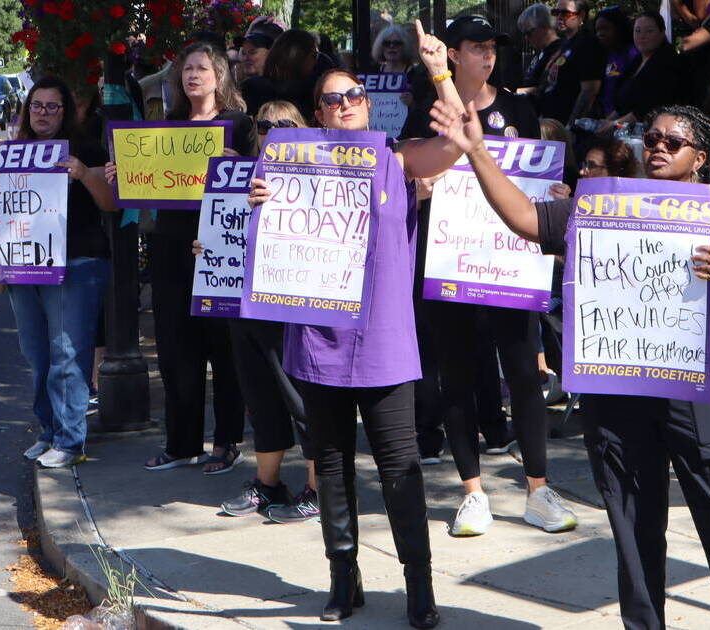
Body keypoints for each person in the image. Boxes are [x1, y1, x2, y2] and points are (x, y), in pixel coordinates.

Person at [430, 99, 710, 629]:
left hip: (703, 388)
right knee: (634, 527)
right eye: (653, 136)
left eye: (673, 141)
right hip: (619, 387)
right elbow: (525, 219)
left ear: (703, 158)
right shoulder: (604, 204)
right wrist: (476, 150)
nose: (658, 146)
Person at [246, 22, 463, 627]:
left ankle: (419, 586)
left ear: (369, 105)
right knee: (333, 462)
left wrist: (439, 69)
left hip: (385, 345)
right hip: (317, 341)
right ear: (317, 113)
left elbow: (458, 140)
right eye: (333, 98)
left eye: (354, 95)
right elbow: (264, 249)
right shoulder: (289, 164)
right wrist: (261, 202)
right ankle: (344, 577)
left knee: (400, 467)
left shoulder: (397, 160)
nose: (344, 104)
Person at [404, 15, 578, 538]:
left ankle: (537, 488)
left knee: (524, 373)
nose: (488, 54)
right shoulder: (427, 107)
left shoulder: (520, 107)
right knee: (456, 376)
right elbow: (410, 168)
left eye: (492, 47)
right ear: (453, 54)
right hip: (452, 260)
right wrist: (423, 186)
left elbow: (538, 177)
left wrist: (555, 197)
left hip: (510, 260)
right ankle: (472, 492)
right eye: (476, 46)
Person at [0, 76, 117, 469]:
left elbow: (110, 203)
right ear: (27, 112)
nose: (43, 113)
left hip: (77, 262)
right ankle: (48, 432)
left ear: (66, 112)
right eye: (37, 106)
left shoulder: (84, 148)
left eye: (52, 106)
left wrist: (83, 173)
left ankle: (71, 439)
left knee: (67, 352)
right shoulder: (12, 152)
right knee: (37, 354)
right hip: (22, 265)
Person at [106, 42, 254, 474]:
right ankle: (181, 443)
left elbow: (257, 179)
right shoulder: (166, 126)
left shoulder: (238, 124)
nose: (194, 75)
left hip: (220, 249)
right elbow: (142, 185)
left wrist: (241, 164)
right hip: (170, 249)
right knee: (175, 350)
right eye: (187, 68)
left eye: (202, 68)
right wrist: (123, 175)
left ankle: (226, 442)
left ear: (220, 76)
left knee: (224, 350)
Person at [192, 100, 323, 523]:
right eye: (265, 124)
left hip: (292, 303)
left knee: (301, 398)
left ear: (302, 127)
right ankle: (267, 485)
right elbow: (221, 228)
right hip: (242, 302)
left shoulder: (319, 172)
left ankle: (321, 489)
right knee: (259, 395)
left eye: (285, 123)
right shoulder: (239, 174)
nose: (273, 130)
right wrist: (207, 246)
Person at [598, 11, 682, 132]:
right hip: (625, 129)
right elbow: (621, 105)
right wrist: (607, 122)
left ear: (661, 32)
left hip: (654, 131)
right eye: (637, 31)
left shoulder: (668, 62)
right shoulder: (636, 61)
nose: (642, 36)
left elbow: (647, 108)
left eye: (649, 31)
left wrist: (614, 124)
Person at [535, 0, 605, 126]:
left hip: (568, 128)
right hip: (551, 123)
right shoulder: (565, 43)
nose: (560, 17)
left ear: (581, 15)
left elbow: (589, 91)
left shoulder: (588, 44)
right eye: (556, 12)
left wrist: (571, 126)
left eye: (566, 13)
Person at [242, 29, 321, 121]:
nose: (315, 61)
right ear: (305, 58)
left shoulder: (252, 87)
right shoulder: (314, 89)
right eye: (314, 55)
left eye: (253, 52)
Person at [591, 6, 638, 119]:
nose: (600, 34)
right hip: (605, 119)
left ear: (618, 28)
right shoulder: (604, 55)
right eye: (598, 30)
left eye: (605, 29)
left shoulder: (632, 53)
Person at [371, 24, 431, 111]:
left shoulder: (417, 76)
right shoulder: (372, 73)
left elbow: (426, 109)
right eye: (387, 43)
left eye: (397, 43)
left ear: (405, 46)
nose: (391, 47)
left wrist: (412, 104)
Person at [516, 4, 563, 96]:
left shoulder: (560, 52)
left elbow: (548, 88)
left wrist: (517, 92)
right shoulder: (542, 53)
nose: (526, 38)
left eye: (528, 33)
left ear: (544, 27)